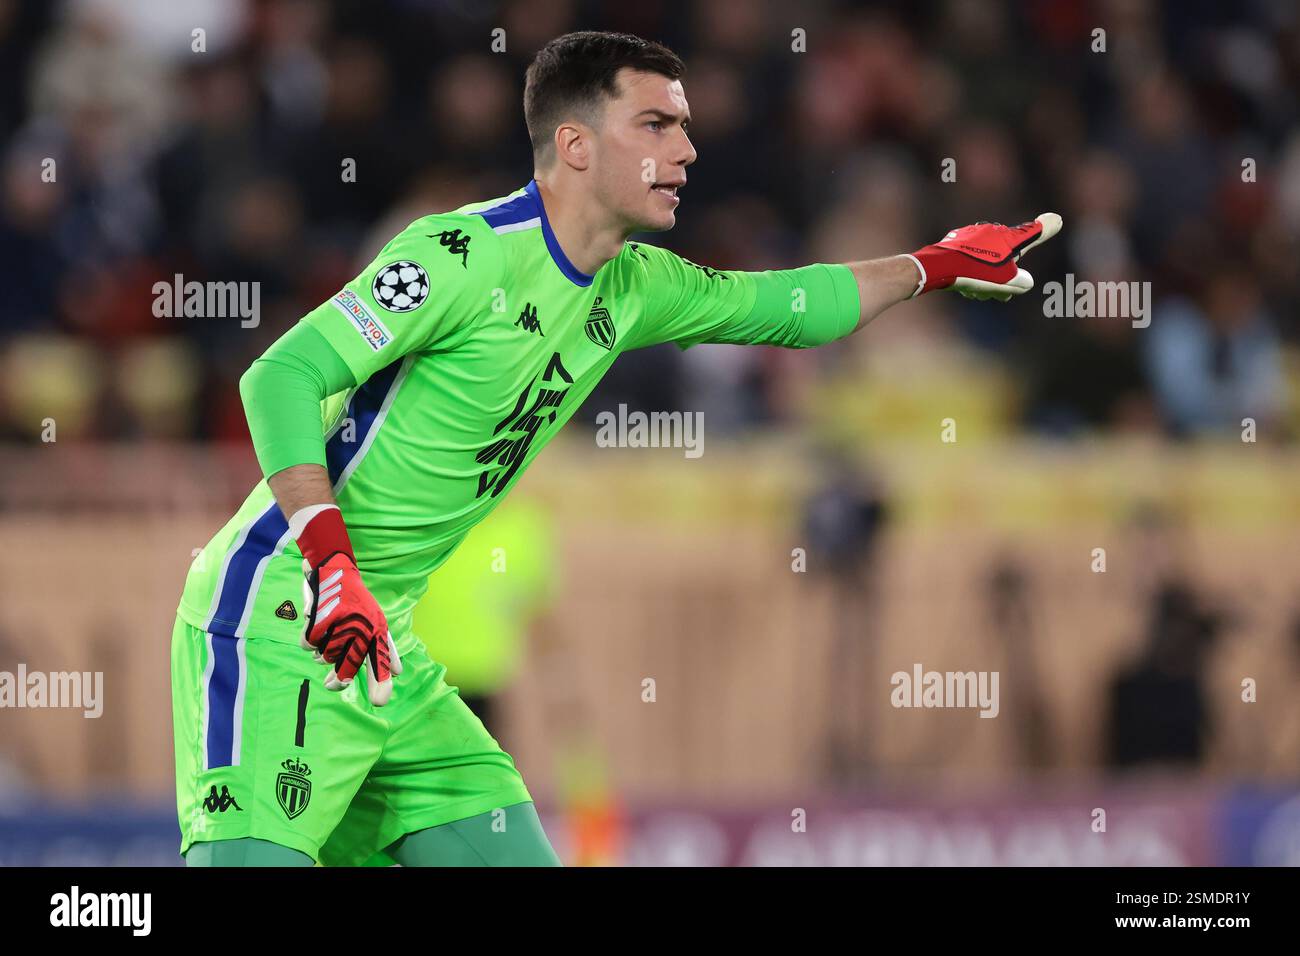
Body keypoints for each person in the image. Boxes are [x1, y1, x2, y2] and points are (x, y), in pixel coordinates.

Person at [171, 30, 1060, 867]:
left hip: (383, 649)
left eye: (684, 128)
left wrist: (933, 264)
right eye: (657, 125)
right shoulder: (460, 256)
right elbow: (278, 377)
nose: (687, 151)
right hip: (280, 614)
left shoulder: (634, 289)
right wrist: (331, 564)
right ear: (577, 145)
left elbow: (790, 305)